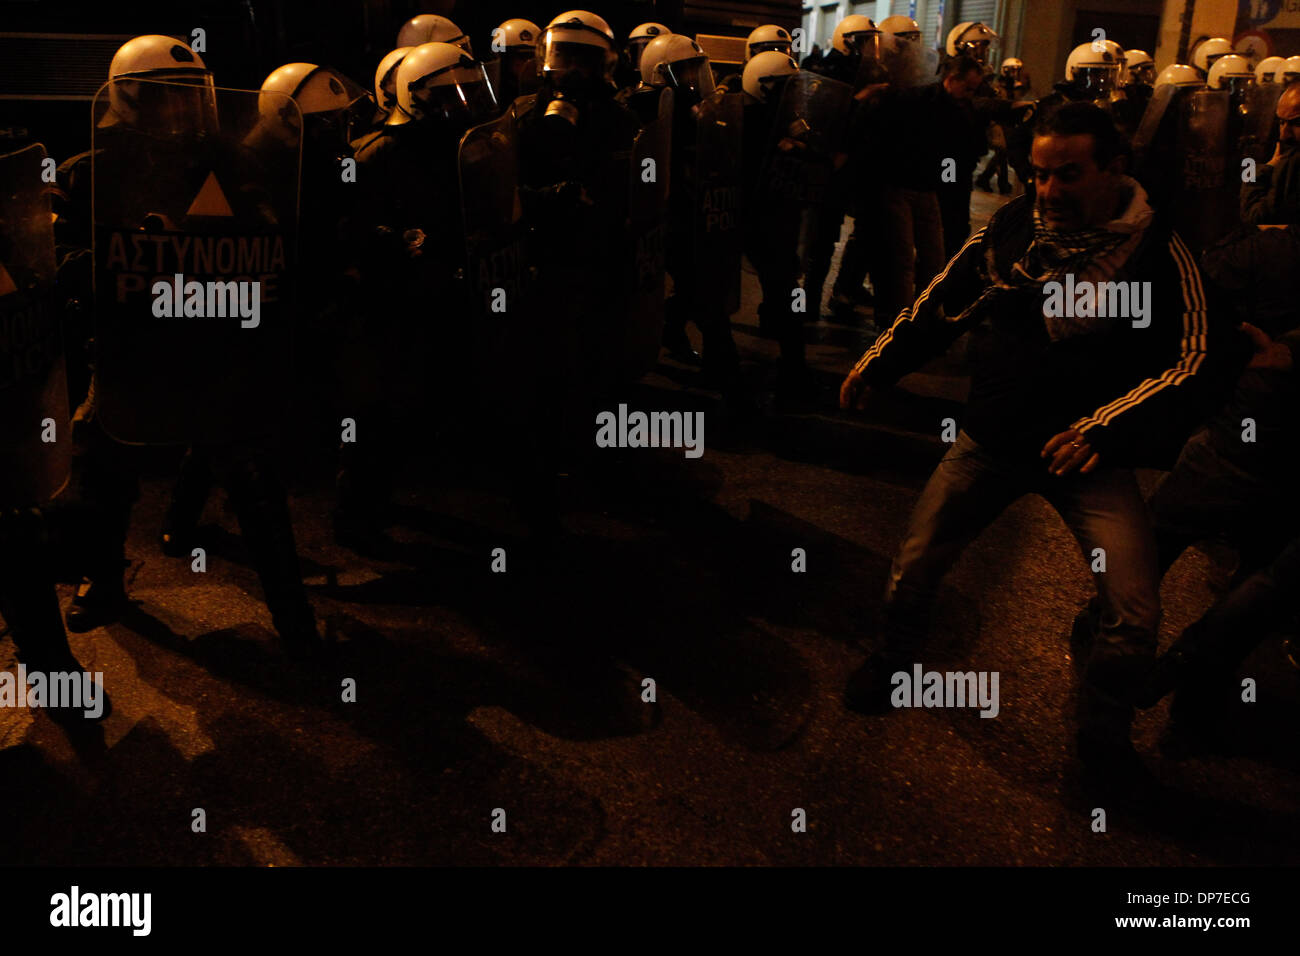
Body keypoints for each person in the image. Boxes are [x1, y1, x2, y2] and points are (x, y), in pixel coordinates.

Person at [838, 103, 1218, 780]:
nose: (1048, 192)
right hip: (992, 438)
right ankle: (893, 660)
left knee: (1132, 610)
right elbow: (945, 293)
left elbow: (1192, 358)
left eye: (1067, 175)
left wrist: (1106, 425)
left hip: (1088, 458)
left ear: (1115, 170)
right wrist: (884, 359)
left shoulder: (1161, 250)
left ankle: (1103, 735)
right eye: (1038, 174)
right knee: (918, 562)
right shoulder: (1014, 227)